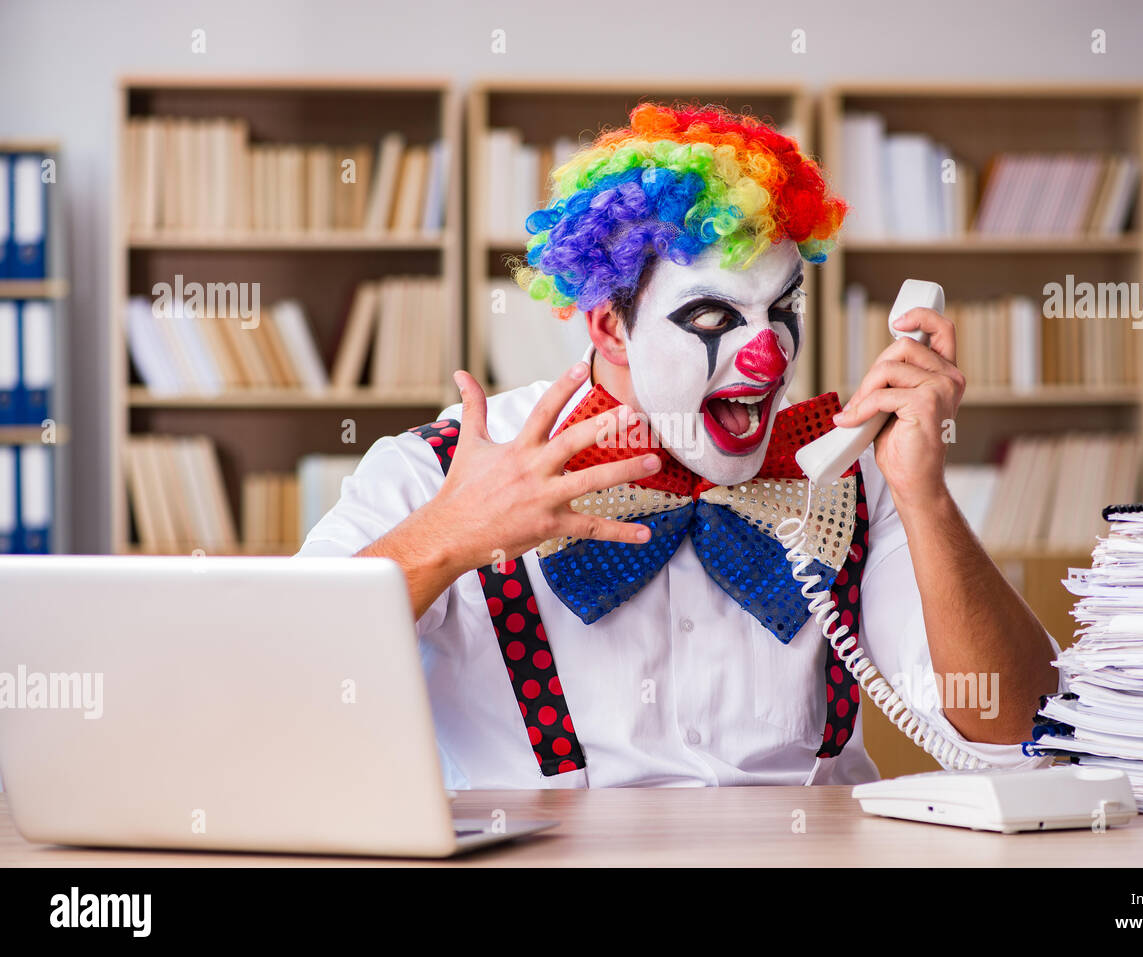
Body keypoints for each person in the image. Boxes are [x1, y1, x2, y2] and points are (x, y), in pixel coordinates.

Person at [298, 102, 1061, 789]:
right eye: (711, 317)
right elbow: (280, 676)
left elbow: (1019, 730)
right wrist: (447, 535)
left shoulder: (853, 471)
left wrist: (925, 498)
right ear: (609, 328)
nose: (770, 357)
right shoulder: (441, 469)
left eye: (781, 308)